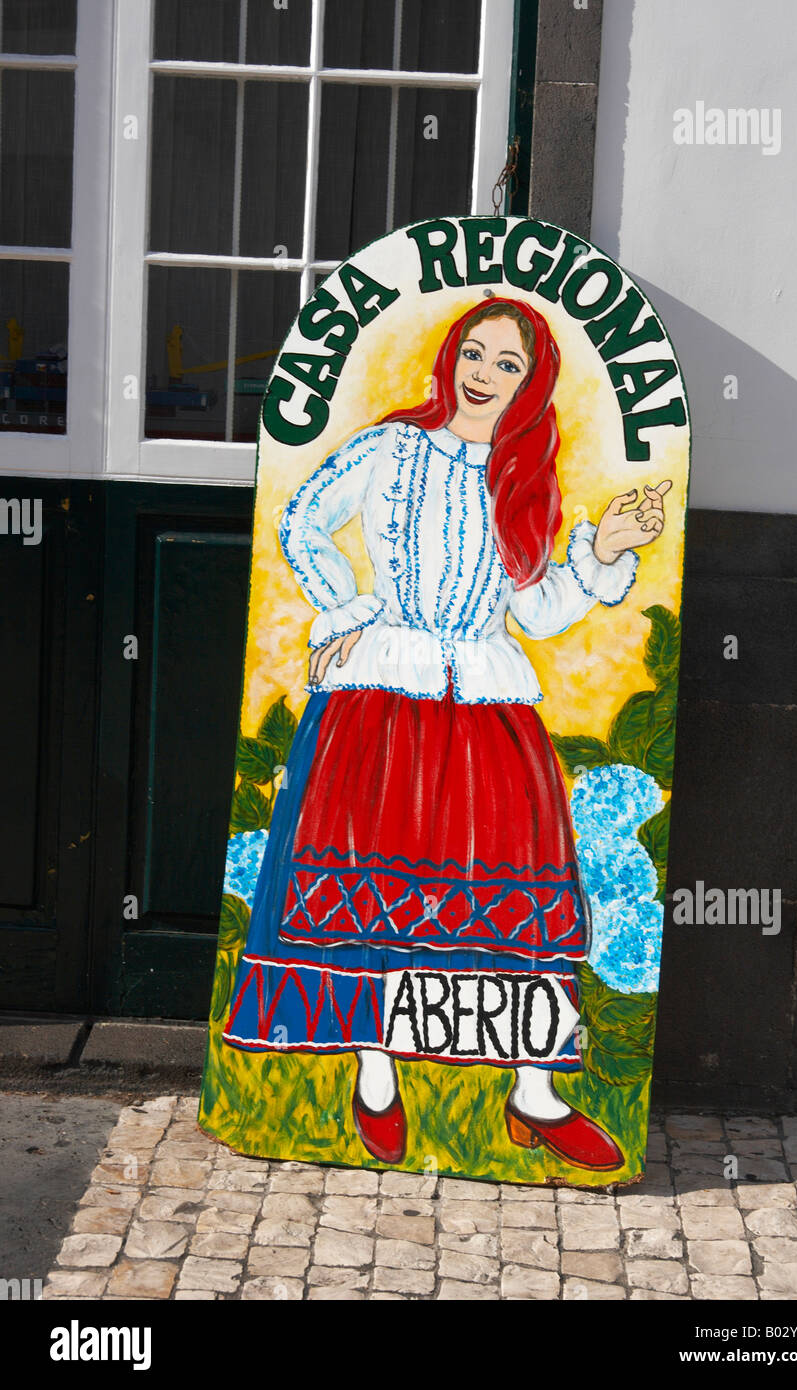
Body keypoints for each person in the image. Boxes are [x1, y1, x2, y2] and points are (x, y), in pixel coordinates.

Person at [222, 296, 670, 1171]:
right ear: (450, 357)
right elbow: (303, 521)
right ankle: (377, 1074)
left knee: (517, 900)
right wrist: (347, 611)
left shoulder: (528, 481)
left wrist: (603, 551)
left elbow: (537, 614)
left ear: (531, 385)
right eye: (475, 352)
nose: (484, 374)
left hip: (491, 712)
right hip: (382, 700)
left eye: (509, 364)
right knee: (370, 894)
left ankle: (534, 1095)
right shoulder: (390, 450)